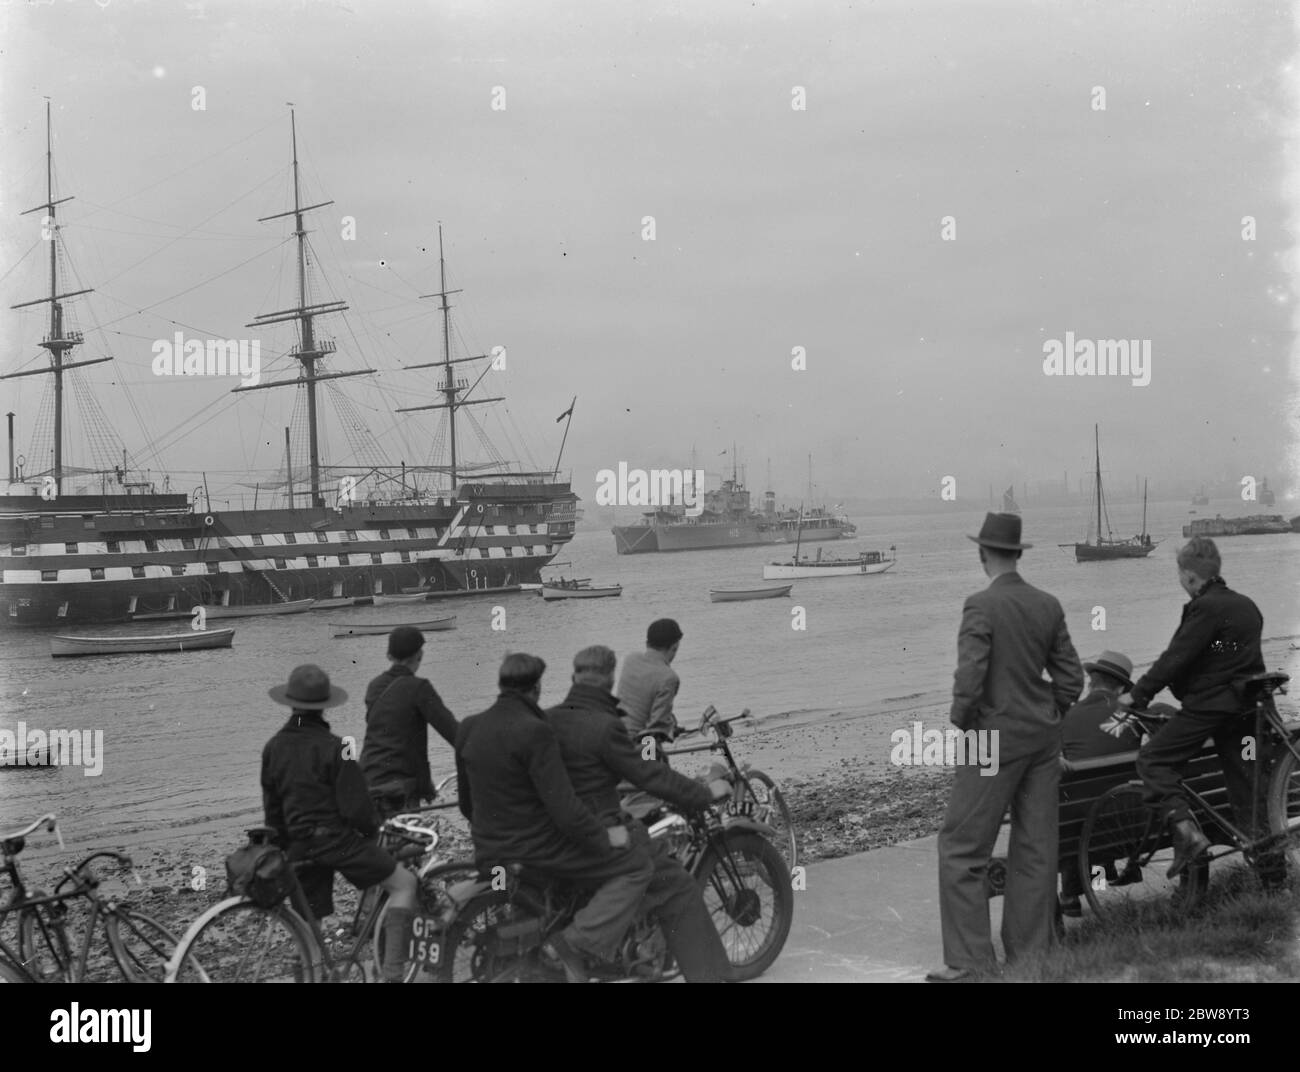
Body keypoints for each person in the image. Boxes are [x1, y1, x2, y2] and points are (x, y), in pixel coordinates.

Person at [930, 513, 1084, 982]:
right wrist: (1048, 712)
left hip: (990, 737)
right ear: (1018, 554)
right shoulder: (1047, 604)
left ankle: (972, 963)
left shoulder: (979, 606)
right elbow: (1072, 678)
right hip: (1040, 737)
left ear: (982, 554)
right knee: (1035, 847)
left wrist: (963, 722)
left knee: (961, 846)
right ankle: (1029, 955)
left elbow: (970, 679)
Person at [455, 653, 649, 983]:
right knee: (636, 865)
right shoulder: (536, 730)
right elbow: (565, 809)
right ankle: (573, 943)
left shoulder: (469, 727)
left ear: (500, 685)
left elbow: (466, 805)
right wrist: (605, 838)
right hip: (536, 853)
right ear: (538, 688)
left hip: (488, 852)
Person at [546, 644, 733, 982]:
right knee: (676, 884)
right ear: (609, 680)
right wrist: (704, 793)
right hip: (601, 834)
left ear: (574, 677)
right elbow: (648, 774)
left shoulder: (547, 719)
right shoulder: (605, 725)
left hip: (552, 835)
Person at [1126, 537, 1277, 885]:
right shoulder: (1246, 606)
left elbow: (1177, 656)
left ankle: (1187, 832)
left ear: (1190, 577)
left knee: (1153, 760)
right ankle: (1273, 876)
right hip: (1252, 710)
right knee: (1249, 792)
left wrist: (1139, 694)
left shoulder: (1204, 608)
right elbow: (1228, 648)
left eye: (1181, 576)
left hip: (1214, 707)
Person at [260, 664, 418, 982]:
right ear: (324, 705)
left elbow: (273, 812)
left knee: (308, 929)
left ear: (290, 703)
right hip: (336, 842)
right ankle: (392, 975)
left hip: (297, 846)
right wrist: (373, 831)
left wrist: (285, 848)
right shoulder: (338, 746)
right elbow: (356, 810)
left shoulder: (273, 747)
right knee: (404, 884)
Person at [1056, 651, 1176, 916]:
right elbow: (1169, 727)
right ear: (1121, 687)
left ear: (1091, 682)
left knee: (1070, 802)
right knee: (1113, 790)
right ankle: (1109, 871)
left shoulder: (1067, 717)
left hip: (1086, 827)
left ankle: (1070, 895)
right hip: (1138, 820)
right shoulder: (1133, 711)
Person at [360, 625, 458, 817]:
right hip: (400, 790)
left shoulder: (375, 686)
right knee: (411, 840)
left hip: (368, 781)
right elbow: (455, 734)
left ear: (389, 656)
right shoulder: (419, 688)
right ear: (419, 654)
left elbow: (390, 734)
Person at [616, 618, 684, 751]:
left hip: (614, 737)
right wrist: (650, 767)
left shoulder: (631, 660)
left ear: (647, 643)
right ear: (675, 646)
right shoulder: (669, 678)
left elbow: (639, 703)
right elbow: (655, 728)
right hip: (636, 747)